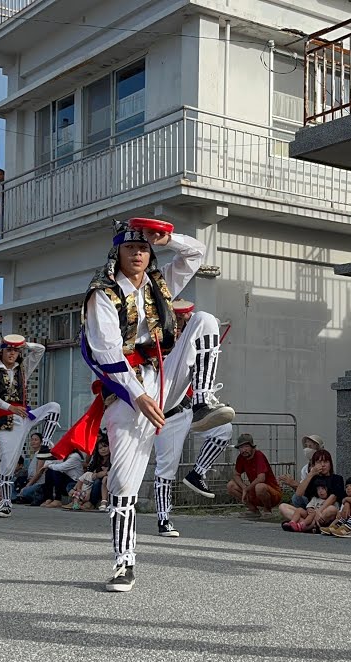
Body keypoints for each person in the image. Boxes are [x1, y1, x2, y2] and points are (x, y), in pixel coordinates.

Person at [78, 217, 232, 592]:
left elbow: (196, 253)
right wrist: (139, 395)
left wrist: (167, 238)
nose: (138, 254)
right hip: (126, 390)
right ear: (117, 252)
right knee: (123, 483)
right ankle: (124, 562)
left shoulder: (157, 285)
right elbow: (107, 353)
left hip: (163, 378)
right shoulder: (103, 293)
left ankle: (202, 400)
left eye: (144, 248)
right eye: (130, 247)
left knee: (204, 320)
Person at [150, 299, 236, 537]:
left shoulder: (189, 340)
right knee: (166, 469)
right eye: (179, 319)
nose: (182, 323)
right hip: (160, 402)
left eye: (184, 319)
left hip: (183, 408)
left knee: (224, 431)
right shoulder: (158, 333)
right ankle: (163, 518)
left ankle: (197, 473)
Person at [0, 335, 61, 518]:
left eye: (15, 350)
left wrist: (23, 344)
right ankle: (5, 502)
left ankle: (45, 445)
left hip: (25, 416)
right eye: (9, 350)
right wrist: (11, 407)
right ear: (2, 351)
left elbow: (40, 350)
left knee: (54, 407)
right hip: (7, 421)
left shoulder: (23, 368)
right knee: (7, 463)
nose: (12, 353)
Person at [282, 449, 343, 527]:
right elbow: (298, 494)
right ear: (314, 464)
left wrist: (318, 511)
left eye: (325, 462)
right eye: (319, 462)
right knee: (283, 507)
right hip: (310, 512)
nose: (323, 465)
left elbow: (333, 497)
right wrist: (311, 474)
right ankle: (307, 525)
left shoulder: (337, 478)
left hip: (325, 512)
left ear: (330, 464)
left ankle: (304, 525)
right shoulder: (313, 479)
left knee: (331, 509)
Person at [229, 433, 281, 518]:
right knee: (231, 485)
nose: (244, 450)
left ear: (252, 447)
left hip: (272, 493)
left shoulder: (258, 455)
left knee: (259, 487)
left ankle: (267, 510)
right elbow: (236, 475)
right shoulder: (241, 457)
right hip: (254, 491)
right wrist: (243, 487)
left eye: (246, 446)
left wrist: (247, 489)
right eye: (241, 447)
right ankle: (253, 510)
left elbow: (261, 478)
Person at [66, 436, 111, 511]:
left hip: (101, 485)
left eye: (105, 446)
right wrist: (76, 488)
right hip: (89, 484)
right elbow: (88, 473)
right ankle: (77, 502)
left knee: (97, 482)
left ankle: (91, 503)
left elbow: (107, 474)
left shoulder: (113, 459)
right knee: (70, 485)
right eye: (100, 448)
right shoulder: (96, 460)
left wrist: (101, 474)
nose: (103, 449)